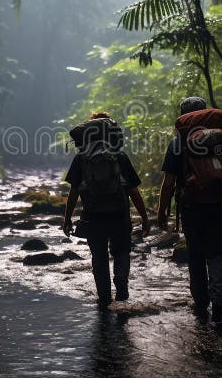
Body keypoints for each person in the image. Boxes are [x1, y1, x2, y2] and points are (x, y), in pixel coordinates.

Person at [157, 97, 222, 325]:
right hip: (220, 203)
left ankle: (201, 304)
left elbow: (169, 182)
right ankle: (219, 305)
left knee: (196, 255)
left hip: (191, 207)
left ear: (183, 116)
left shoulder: (177, 143)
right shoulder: (221, 139)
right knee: (218, 253)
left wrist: (162, 211)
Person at [63, 112, 150, 307]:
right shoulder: (119, 156)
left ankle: (104, 297)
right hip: (119, 214)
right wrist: (144, 217)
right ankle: (120, 281)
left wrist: (67, 219)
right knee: (121, 252)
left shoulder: (81, 158)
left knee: (99, 257)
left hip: (93, 217)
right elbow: (133, 190)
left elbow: (74, 192)